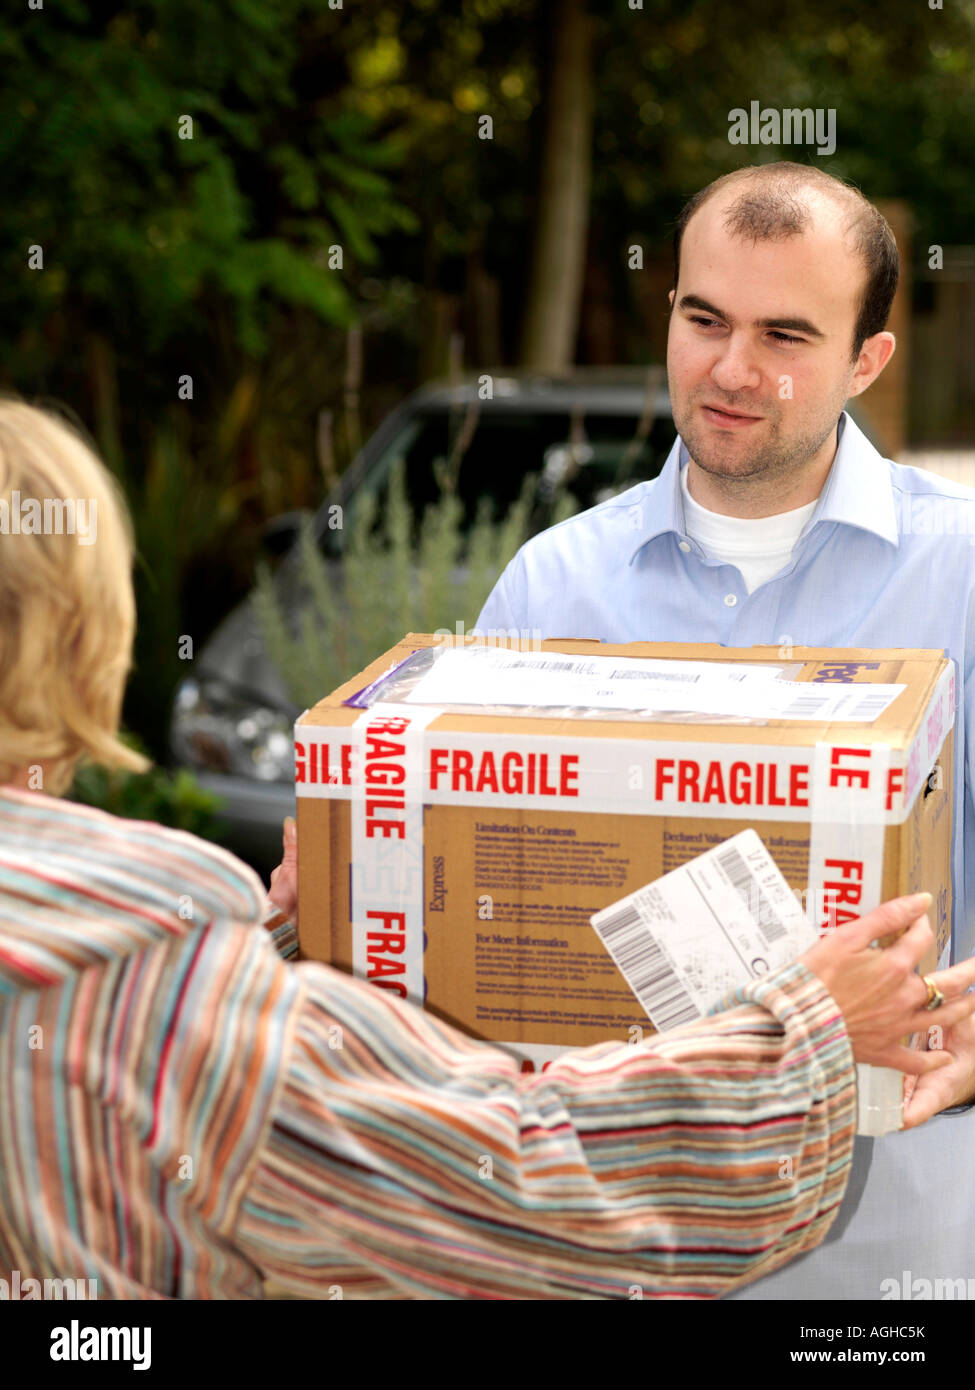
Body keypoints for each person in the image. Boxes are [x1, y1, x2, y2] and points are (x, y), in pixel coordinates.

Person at [1, 401, 973, 1301]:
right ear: (85, 637)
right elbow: (526, 1177)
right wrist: (802, 1030)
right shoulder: (149, 982)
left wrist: (273, 956)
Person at [476, 160, 975, 1300]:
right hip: (619, 1248)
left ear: (867, 362)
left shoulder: (965, 570)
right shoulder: (552, 589)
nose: (731, 370)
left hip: (882, 1268)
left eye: (785, 336)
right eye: (705, 319)